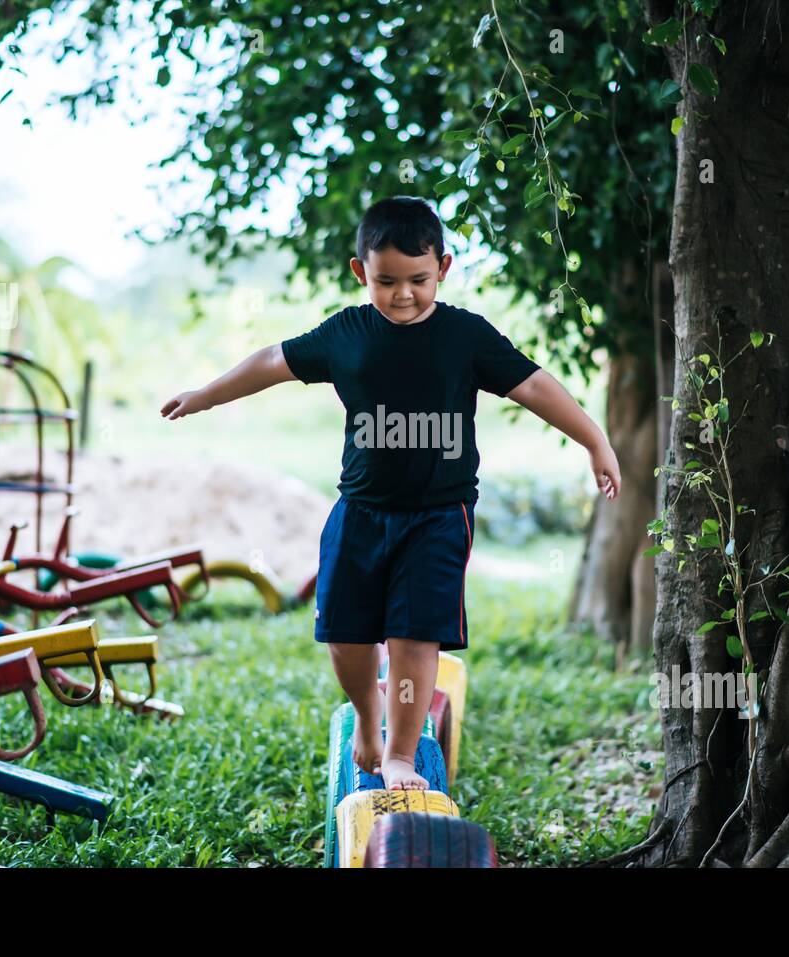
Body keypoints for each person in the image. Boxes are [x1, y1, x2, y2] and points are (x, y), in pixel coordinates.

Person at [161, 196, 620, 790]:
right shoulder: (347, 333)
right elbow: (273, 360)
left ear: (445, 268)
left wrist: (594, 442)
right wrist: (203, 394)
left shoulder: (465, 336)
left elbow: (533, 385)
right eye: (387, 281)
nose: (404, 294)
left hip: (438, 515)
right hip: (361, 510)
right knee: (346, 637)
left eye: (419, 280)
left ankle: (401, 753)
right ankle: (365, 715)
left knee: (413, 635)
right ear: (361, 273)